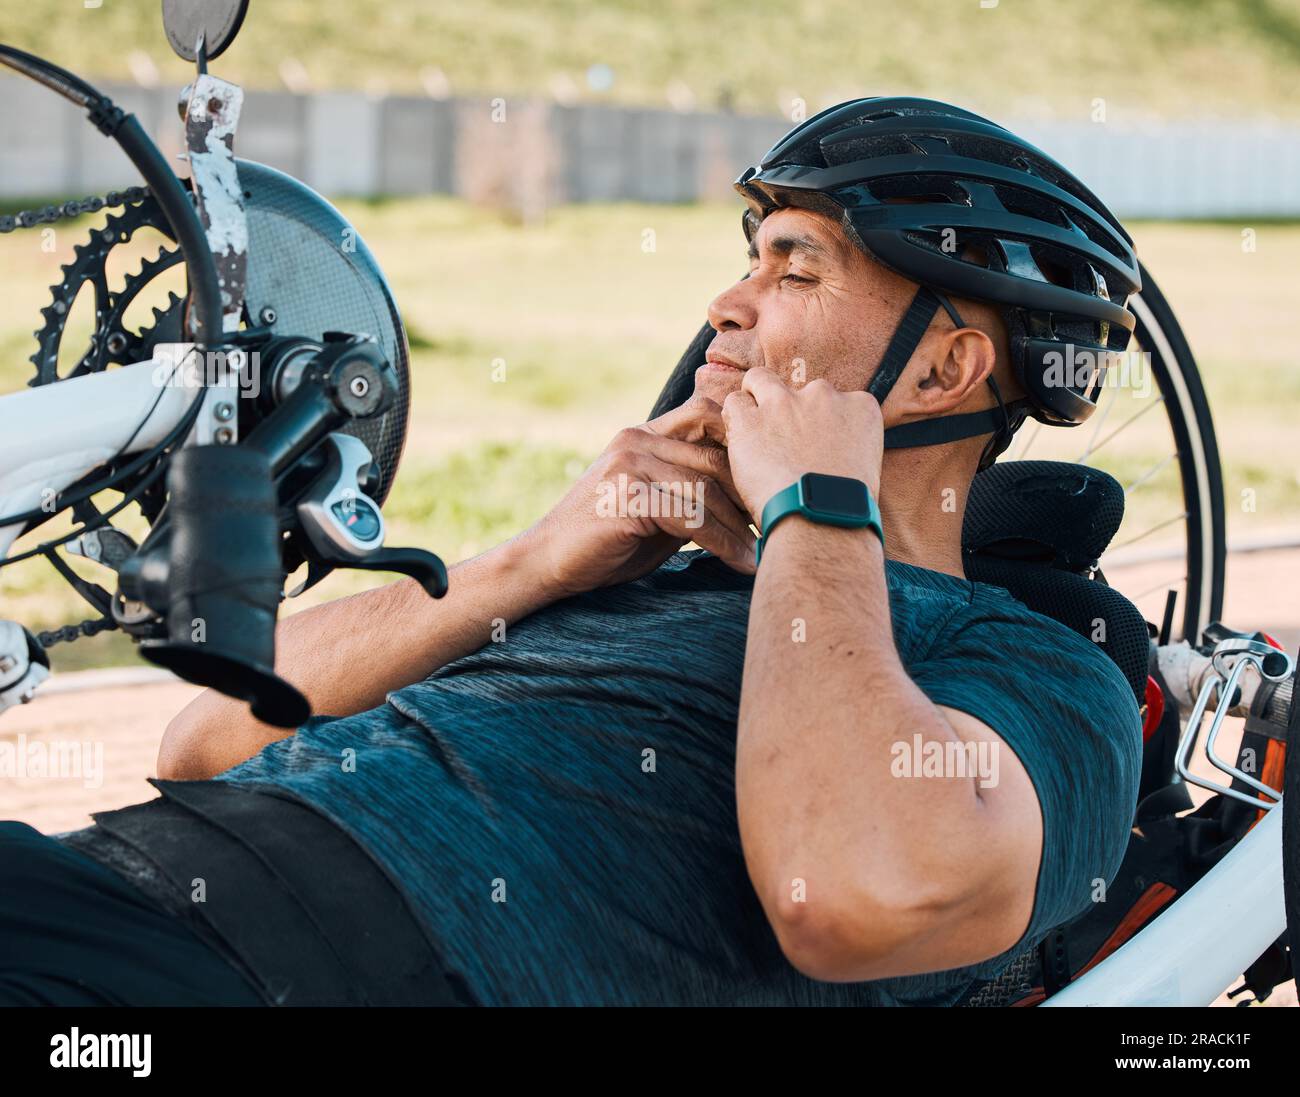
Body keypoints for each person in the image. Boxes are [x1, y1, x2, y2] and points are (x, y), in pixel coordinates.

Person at [1, 97, 1142, 1006]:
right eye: (747, 261)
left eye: (794, 270)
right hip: (114, 883)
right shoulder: (633, 568)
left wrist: (818, 505)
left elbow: (854, 891)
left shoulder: (1034, 668)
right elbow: (206, 738)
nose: (727, 304)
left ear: (945, 370)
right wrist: (537, 557)